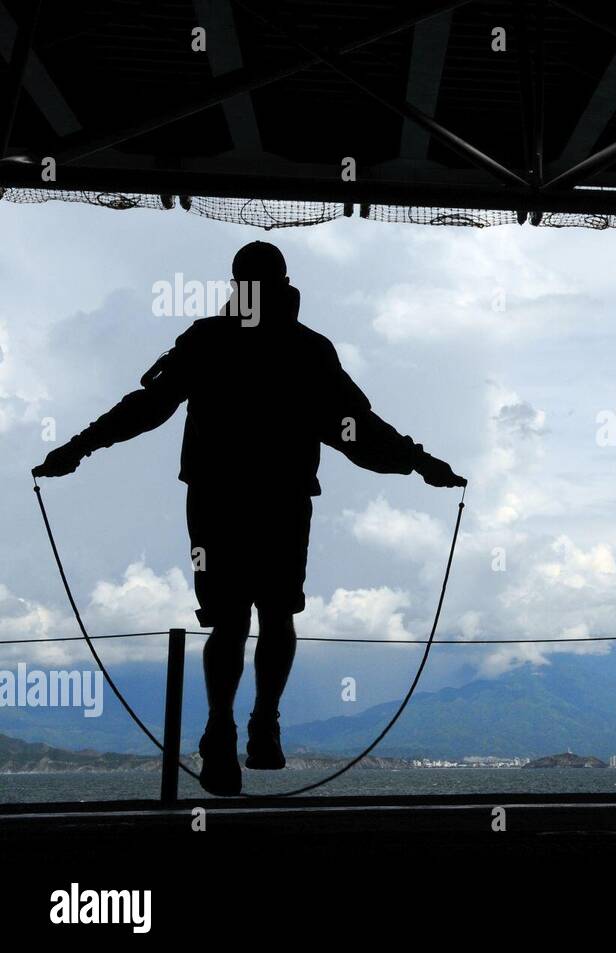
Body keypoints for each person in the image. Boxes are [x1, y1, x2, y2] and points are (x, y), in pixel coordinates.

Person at [32, 241, 466, 796]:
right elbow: (357, 427)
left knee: (229, 618)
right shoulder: (307, 349)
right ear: (285, 282)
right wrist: (418, 461)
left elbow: (147, 407)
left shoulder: (208, 341)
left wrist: (79, 447)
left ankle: (224, 728)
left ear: (236, 282)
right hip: (281, 503)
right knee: (276, 614)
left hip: (216, 503)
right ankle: (262, 723)